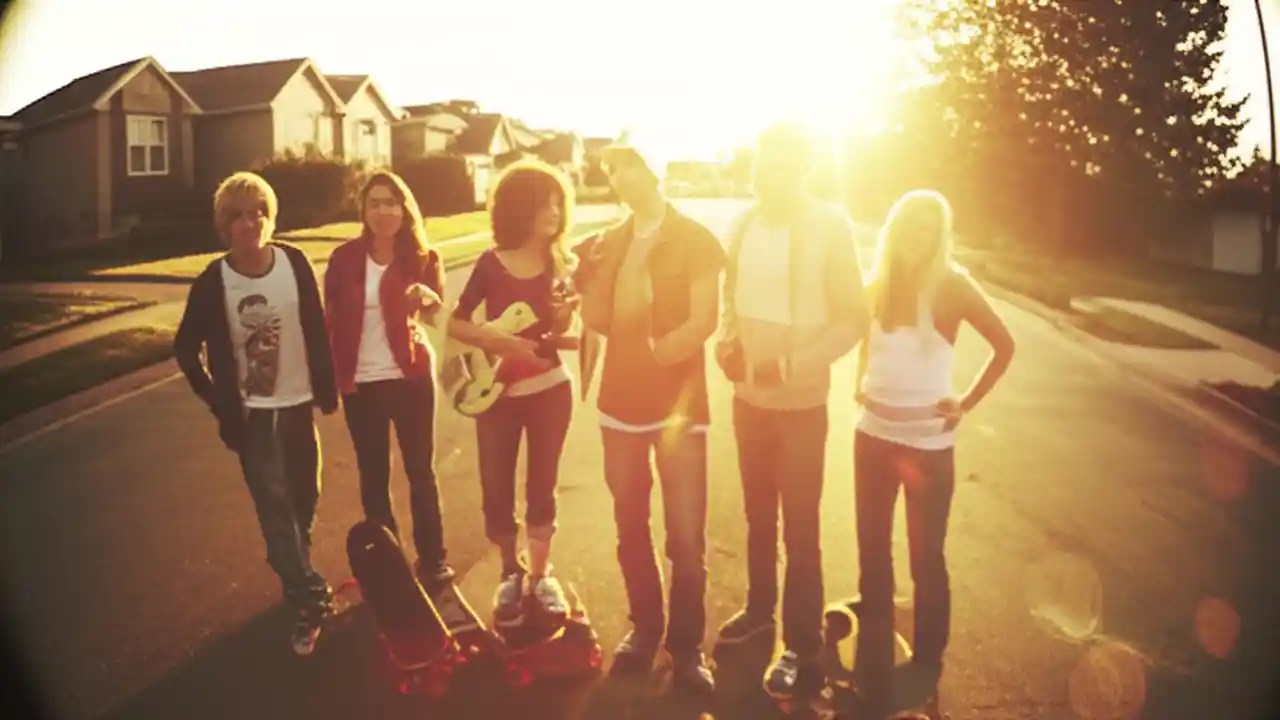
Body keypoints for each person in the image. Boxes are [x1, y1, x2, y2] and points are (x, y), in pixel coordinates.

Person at [714, 121, 871, 697]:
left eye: (778, 167)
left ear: (802, 169)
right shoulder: (744, 223)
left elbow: (853, 317)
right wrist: (725, 345)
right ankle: (759, 612)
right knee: (758, 519)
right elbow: (731, 302)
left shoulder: (830, 226)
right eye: (760, 166)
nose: (765, 177)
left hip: (801, 404)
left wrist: (790, 366)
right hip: (747, 401)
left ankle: (801, 645)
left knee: (800, 530)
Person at [851, 189, 1014, 717]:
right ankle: (874, 652)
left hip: (927, 446)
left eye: (927, 228)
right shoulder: (877, 283)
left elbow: (1004, 345)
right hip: (872, 437)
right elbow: (861, 339)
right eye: (907, 226)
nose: (915, 237)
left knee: (927, 558)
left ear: (939, 235)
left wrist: (965, 402)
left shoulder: (953, 286)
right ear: (894, 229)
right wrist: (859, 381)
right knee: (873, 552)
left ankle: (926, 662)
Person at [572, 143, 722, 694]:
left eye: (625, 166)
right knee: (630, 527)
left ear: (652, 169)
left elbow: (706, 317)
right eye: (609, 170)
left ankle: (686, 650)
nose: (616, 177)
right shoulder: (608, 243)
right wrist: (584, 283)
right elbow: (600, 320)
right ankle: (645, 626)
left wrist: (665, 350)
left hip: (680, 409)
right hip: (621, 408)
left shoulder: (695, 239)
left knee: (685, 538)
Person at [174, 171, 338, 656]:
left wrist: (326, 386)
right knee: (274, 507)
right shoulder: (213, 281)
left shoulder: (294, 262)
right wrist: (219, 402)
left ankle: (293, 569)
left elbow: (316, 324)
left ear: (270, 218)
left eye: (258, 213)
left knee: (304, 497)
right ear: (225, 226)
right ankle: (309, 594)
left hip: (298, 402)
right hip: (254, 416)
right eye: (238, 216)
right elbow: (186, 349)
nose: (250, 223)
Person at [322, 171, 471, 626]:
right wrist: (330, 379)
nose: (384, 211)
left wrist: (428, 301)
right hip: (360, 383)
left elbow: (436, 319)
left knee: (420, 471)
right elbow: (330, 318)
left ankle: (433, 560)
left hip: (409, 378)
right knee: (373, 474)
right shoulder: (344, 259)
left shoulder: (423, 258)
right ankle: (388, 564)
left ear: (404, 209)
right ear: (363, 212)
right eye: (375, 203)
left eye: (392, 203)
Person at [447, 159, 579, 627]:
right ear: (518, 207)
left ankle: (541, 577)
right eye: (544, 202)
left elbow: (560, 329)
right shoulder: (490, 263)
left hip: (550, 390)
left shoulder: (563, 263)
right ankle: (509, 571)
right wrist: (500, 341)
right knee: (496, 488)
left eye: (559, 201)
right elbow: (458, 322)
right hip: (497, 394)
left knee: (542, 487)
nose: (554, 210)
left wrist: (565, 314)